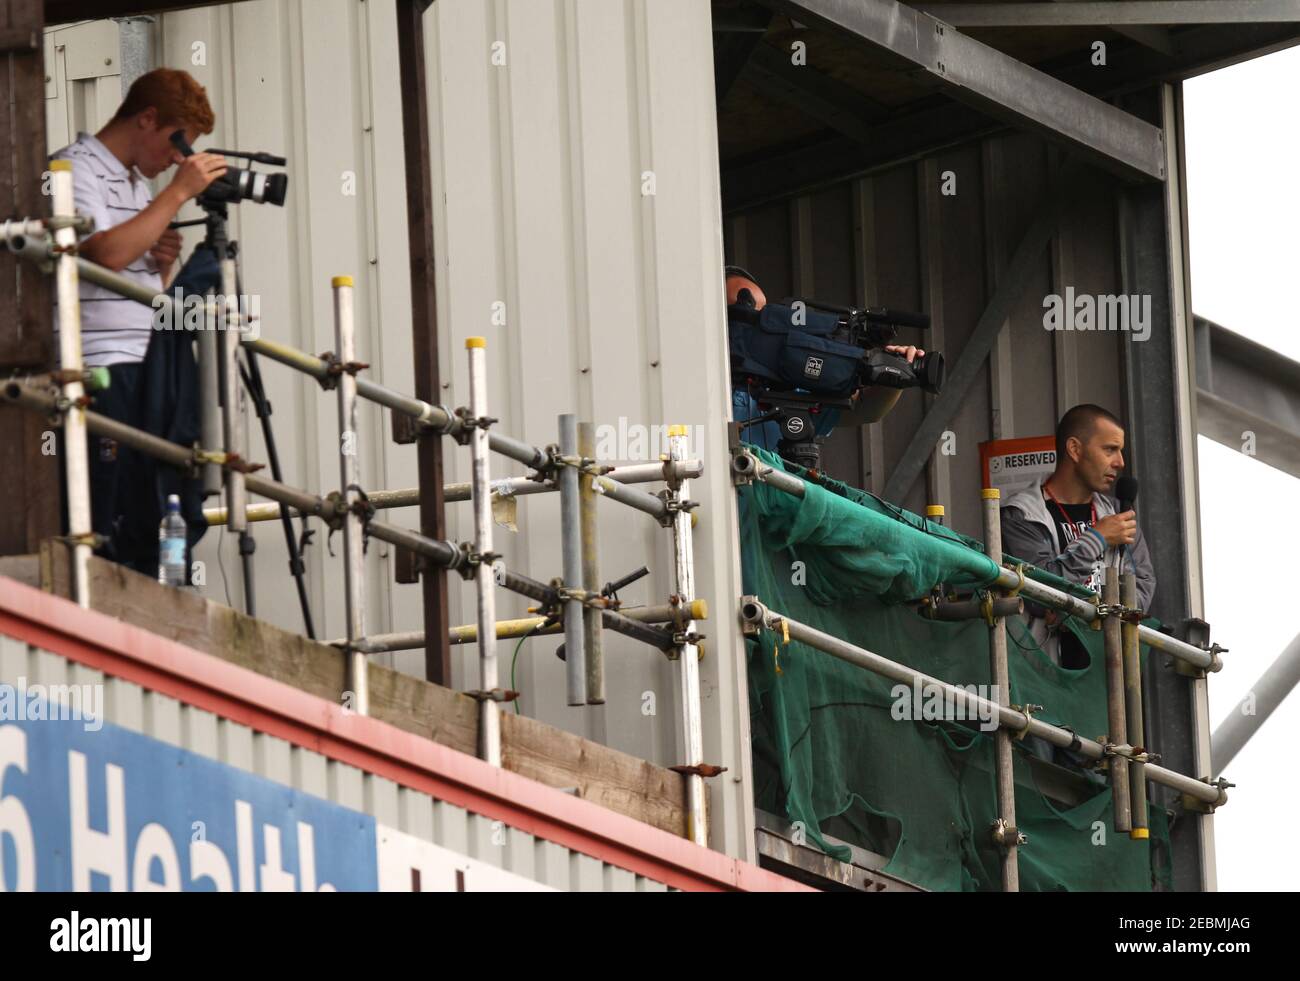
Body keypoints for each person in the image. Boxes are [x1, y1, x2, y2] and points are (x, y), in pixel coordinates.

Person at [51, 68, 227, 570]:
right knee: (115, 504)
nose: (177, 158)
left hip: (145, 361)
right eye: (177, 142)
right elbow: (103, 253)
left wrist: (160, 262)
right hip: (104, 365)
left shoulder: (133, 183)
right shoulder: (71, 167)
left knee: (159, 491)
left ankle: (159, 577)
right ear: (147, 119)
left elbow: (130, 270)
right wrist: (177, 195)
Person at [1001, 403, 1156, 668]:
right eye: (1110, 449)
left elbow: (1142, 584)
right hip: (1042, 676)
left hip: (1106, 676)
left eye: (1120, 451)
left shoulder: (1118, 513)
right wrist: (1096, 539)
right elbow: (1035, 589)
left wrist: (1074, 615)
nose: (1120, 462)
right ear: (1074, 449)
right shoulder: (1022, 514)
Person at [725, 265, 923, 455]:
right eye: (743, 315)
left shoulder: (787, 378)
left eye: (763, 316)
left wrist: (895, 372)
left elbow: (864, 409)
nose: (757, 328)